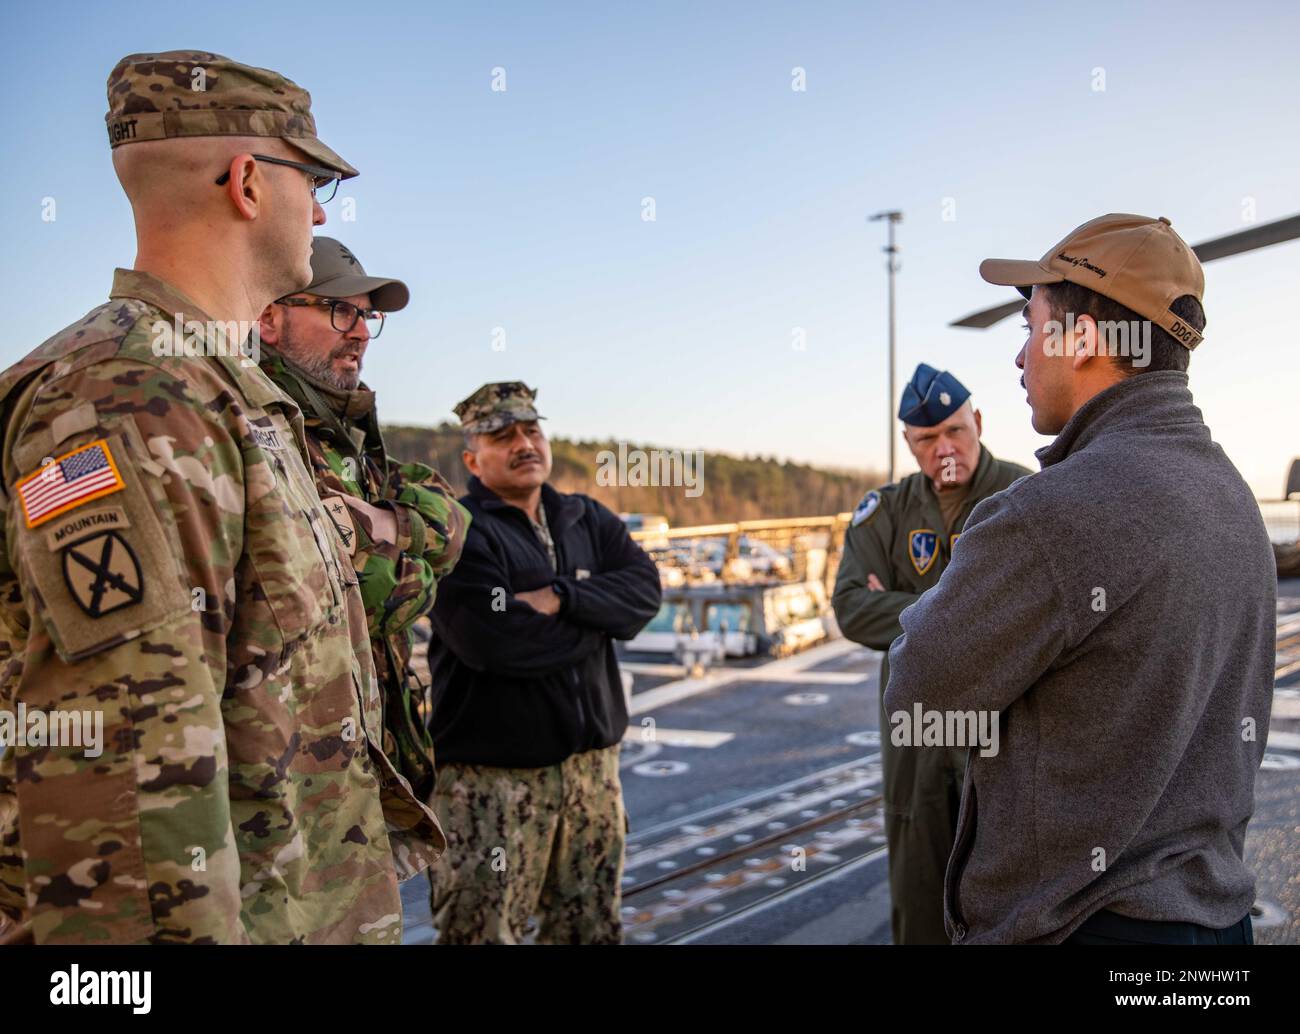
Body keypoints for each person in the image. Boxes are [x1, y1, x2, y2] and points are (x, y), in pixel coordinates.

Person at [0, 50, 441, 945]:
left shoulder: (225, 391)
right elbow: (129, 796)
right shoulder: (130, 396)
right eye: (311, 180)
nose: (318, 209)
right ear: (247, 182)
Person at [886, 213, 1275, 944]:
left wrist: (962, 578)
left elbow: (916, 690)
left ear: (1087, 339)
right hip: (1216, 925)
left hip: (1082, 928)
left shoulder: (1050, 511)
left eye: (1031, 326)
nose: (1021, 356)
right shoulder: (1231, 496)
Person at [425, 382, 662, 943]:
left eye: (532, 430)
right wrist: (598, 619)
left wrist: (563, 598)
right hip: (493, 786)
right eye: (502, 435)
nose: (523, 443)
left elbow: (645, 592)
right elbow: (496, 643)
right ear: (471, 458)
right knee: (484, 931)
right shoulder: (458, 531)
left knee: (589, 928)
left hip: (592, 777)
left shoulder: (584, 516)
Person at [258, 237, 470, 802]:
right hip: (294, 784)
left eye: (366, 315)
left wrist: (383, 524)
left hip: (369, 771)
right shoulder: (263, 432)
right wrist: (409, 560)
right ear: (269, 319)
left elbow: (451, 524)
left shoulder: (345, 438)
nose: (358, 331)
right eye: (338, 309)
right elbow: (382, 593)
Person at [831, 364, 1029, 944]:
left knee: (1012, 883)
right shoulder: (885, 511)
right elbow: (849, 607)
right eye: (927, 439)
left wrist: (906, 607)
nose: (945, 448)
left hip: (1006, 723)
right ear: (909, 445)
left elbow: (1036, 616)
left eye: (956, 431)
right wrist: (967, 608)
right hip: (915, 731)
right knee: (919, 887)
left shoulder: (1025, 493)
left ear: (979, 423)